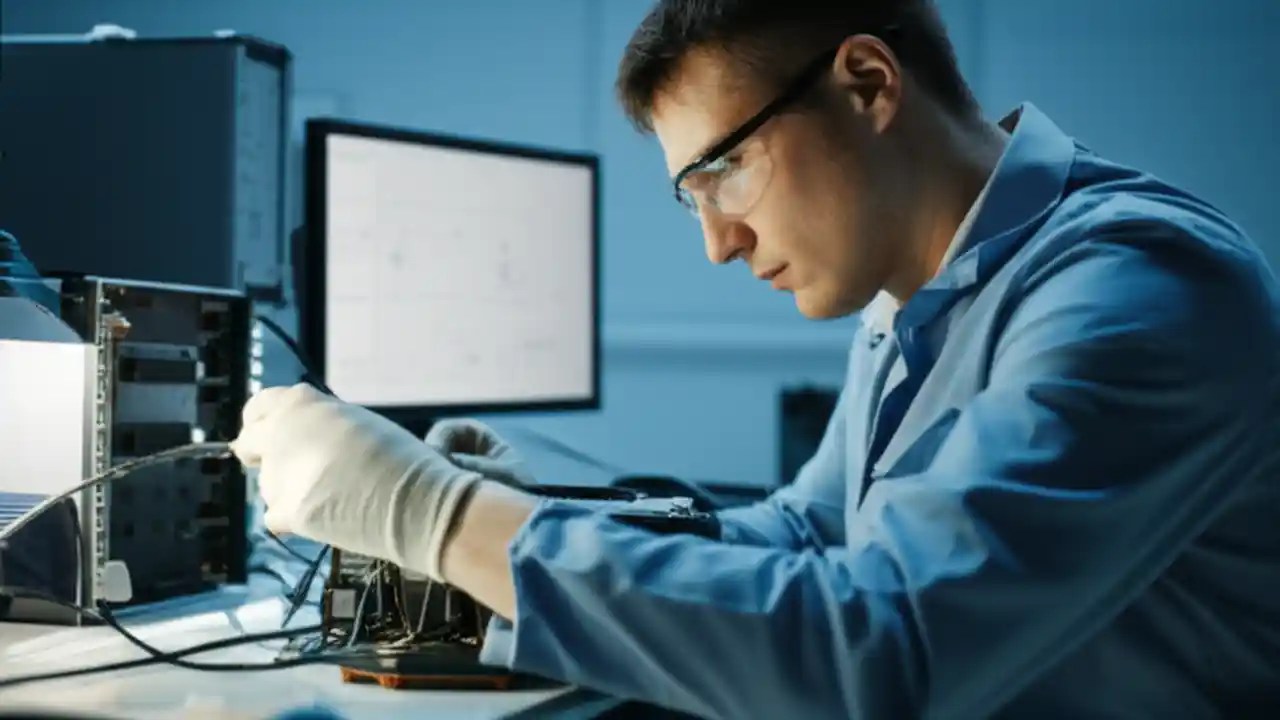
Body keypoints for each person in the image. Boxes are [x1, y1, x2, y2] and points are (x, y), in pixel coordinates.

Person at [231, 0, 1280, 717]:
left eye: (721, 174)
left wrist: (437, 517)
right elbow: (802, 533)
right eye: (691, 198)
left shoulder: (1132, 286)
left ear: (867, 84)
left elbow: (876, 651)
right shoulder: (925, 289)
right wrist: (537, 511)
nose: (717, 243)